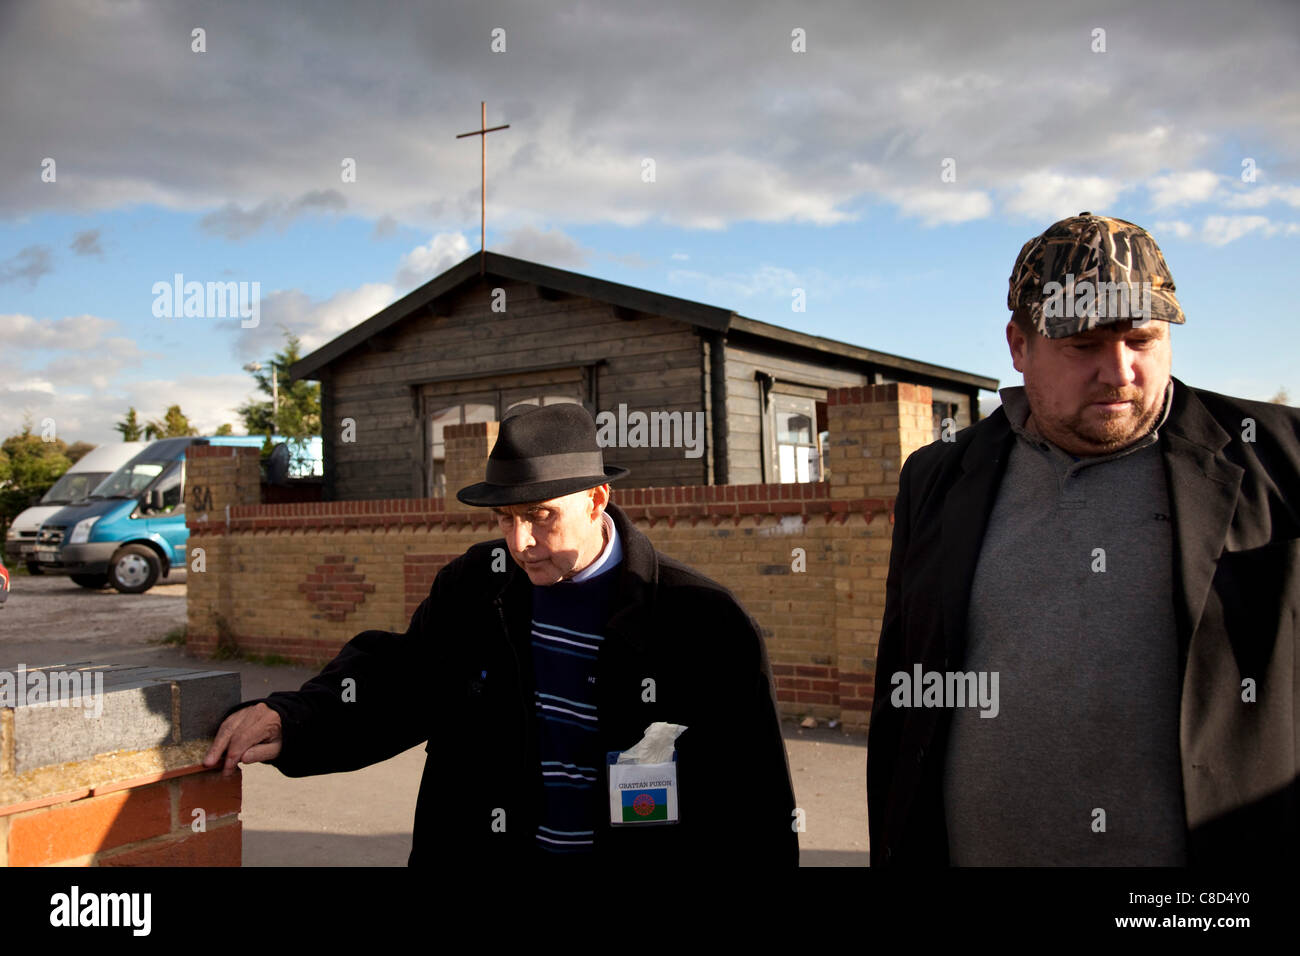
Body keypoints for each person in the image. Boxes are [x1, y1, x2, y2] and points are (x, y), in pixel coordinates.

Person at [867, 212, 1299, 866]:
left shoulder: (1280, 463)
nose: (1119, 371)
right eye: (1084, 346)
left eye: (1141, 340)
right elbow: (901, 699)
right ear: (1019, 346)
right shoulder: (938, 477)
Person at [205, 402, 799, 866]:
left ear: (597, 500)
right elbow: (402, 680)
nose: (519, 543)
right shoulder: (474, 587)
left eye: (542, 516)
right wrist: (295, 719)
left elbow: (757, 801)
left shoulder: (701, 619)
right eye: (507, 519)